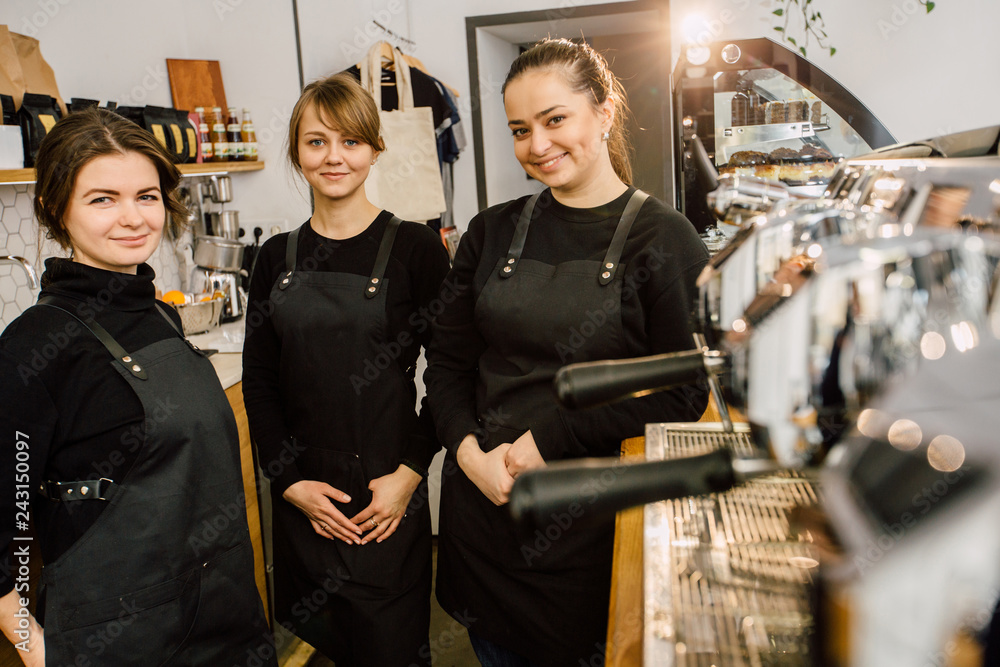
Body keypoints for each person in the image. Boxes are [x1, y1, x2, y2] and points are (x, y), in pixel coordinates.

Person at [425, 38, 710, 666]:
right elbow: (446, 366)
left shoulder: (665, 238)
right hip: (486, 527)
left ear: (604, 112)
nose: (538, 145)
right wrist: (469, 455)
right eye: (520, 130)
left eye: (555, 120)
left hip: (591, 537)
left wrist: (547, 440)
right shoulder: (490, 231)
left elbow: (684, 392)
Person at [0, 107, 275, 666]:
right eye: (103, 198)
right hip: (119, 644)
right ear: (57, 207)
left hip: (226, 622)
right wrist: (36, 650)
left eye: (146, 197)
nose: (132, 217)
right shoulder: (35, 347)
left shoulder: (161, 314)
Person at [242, 73, 449, 666]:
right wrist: (289, 481)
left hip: (384, 495)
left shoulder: (414, 248)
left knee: (393, 650)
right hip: (306, 498)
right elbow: (259, 380)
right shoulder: (274, 257)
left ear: (375, 150)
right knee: (332, 644)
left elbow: (453, 373)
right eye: (316, 142)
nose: (334, 157)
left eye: (351, 142)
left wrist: (410, 472)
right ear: (296, 152)